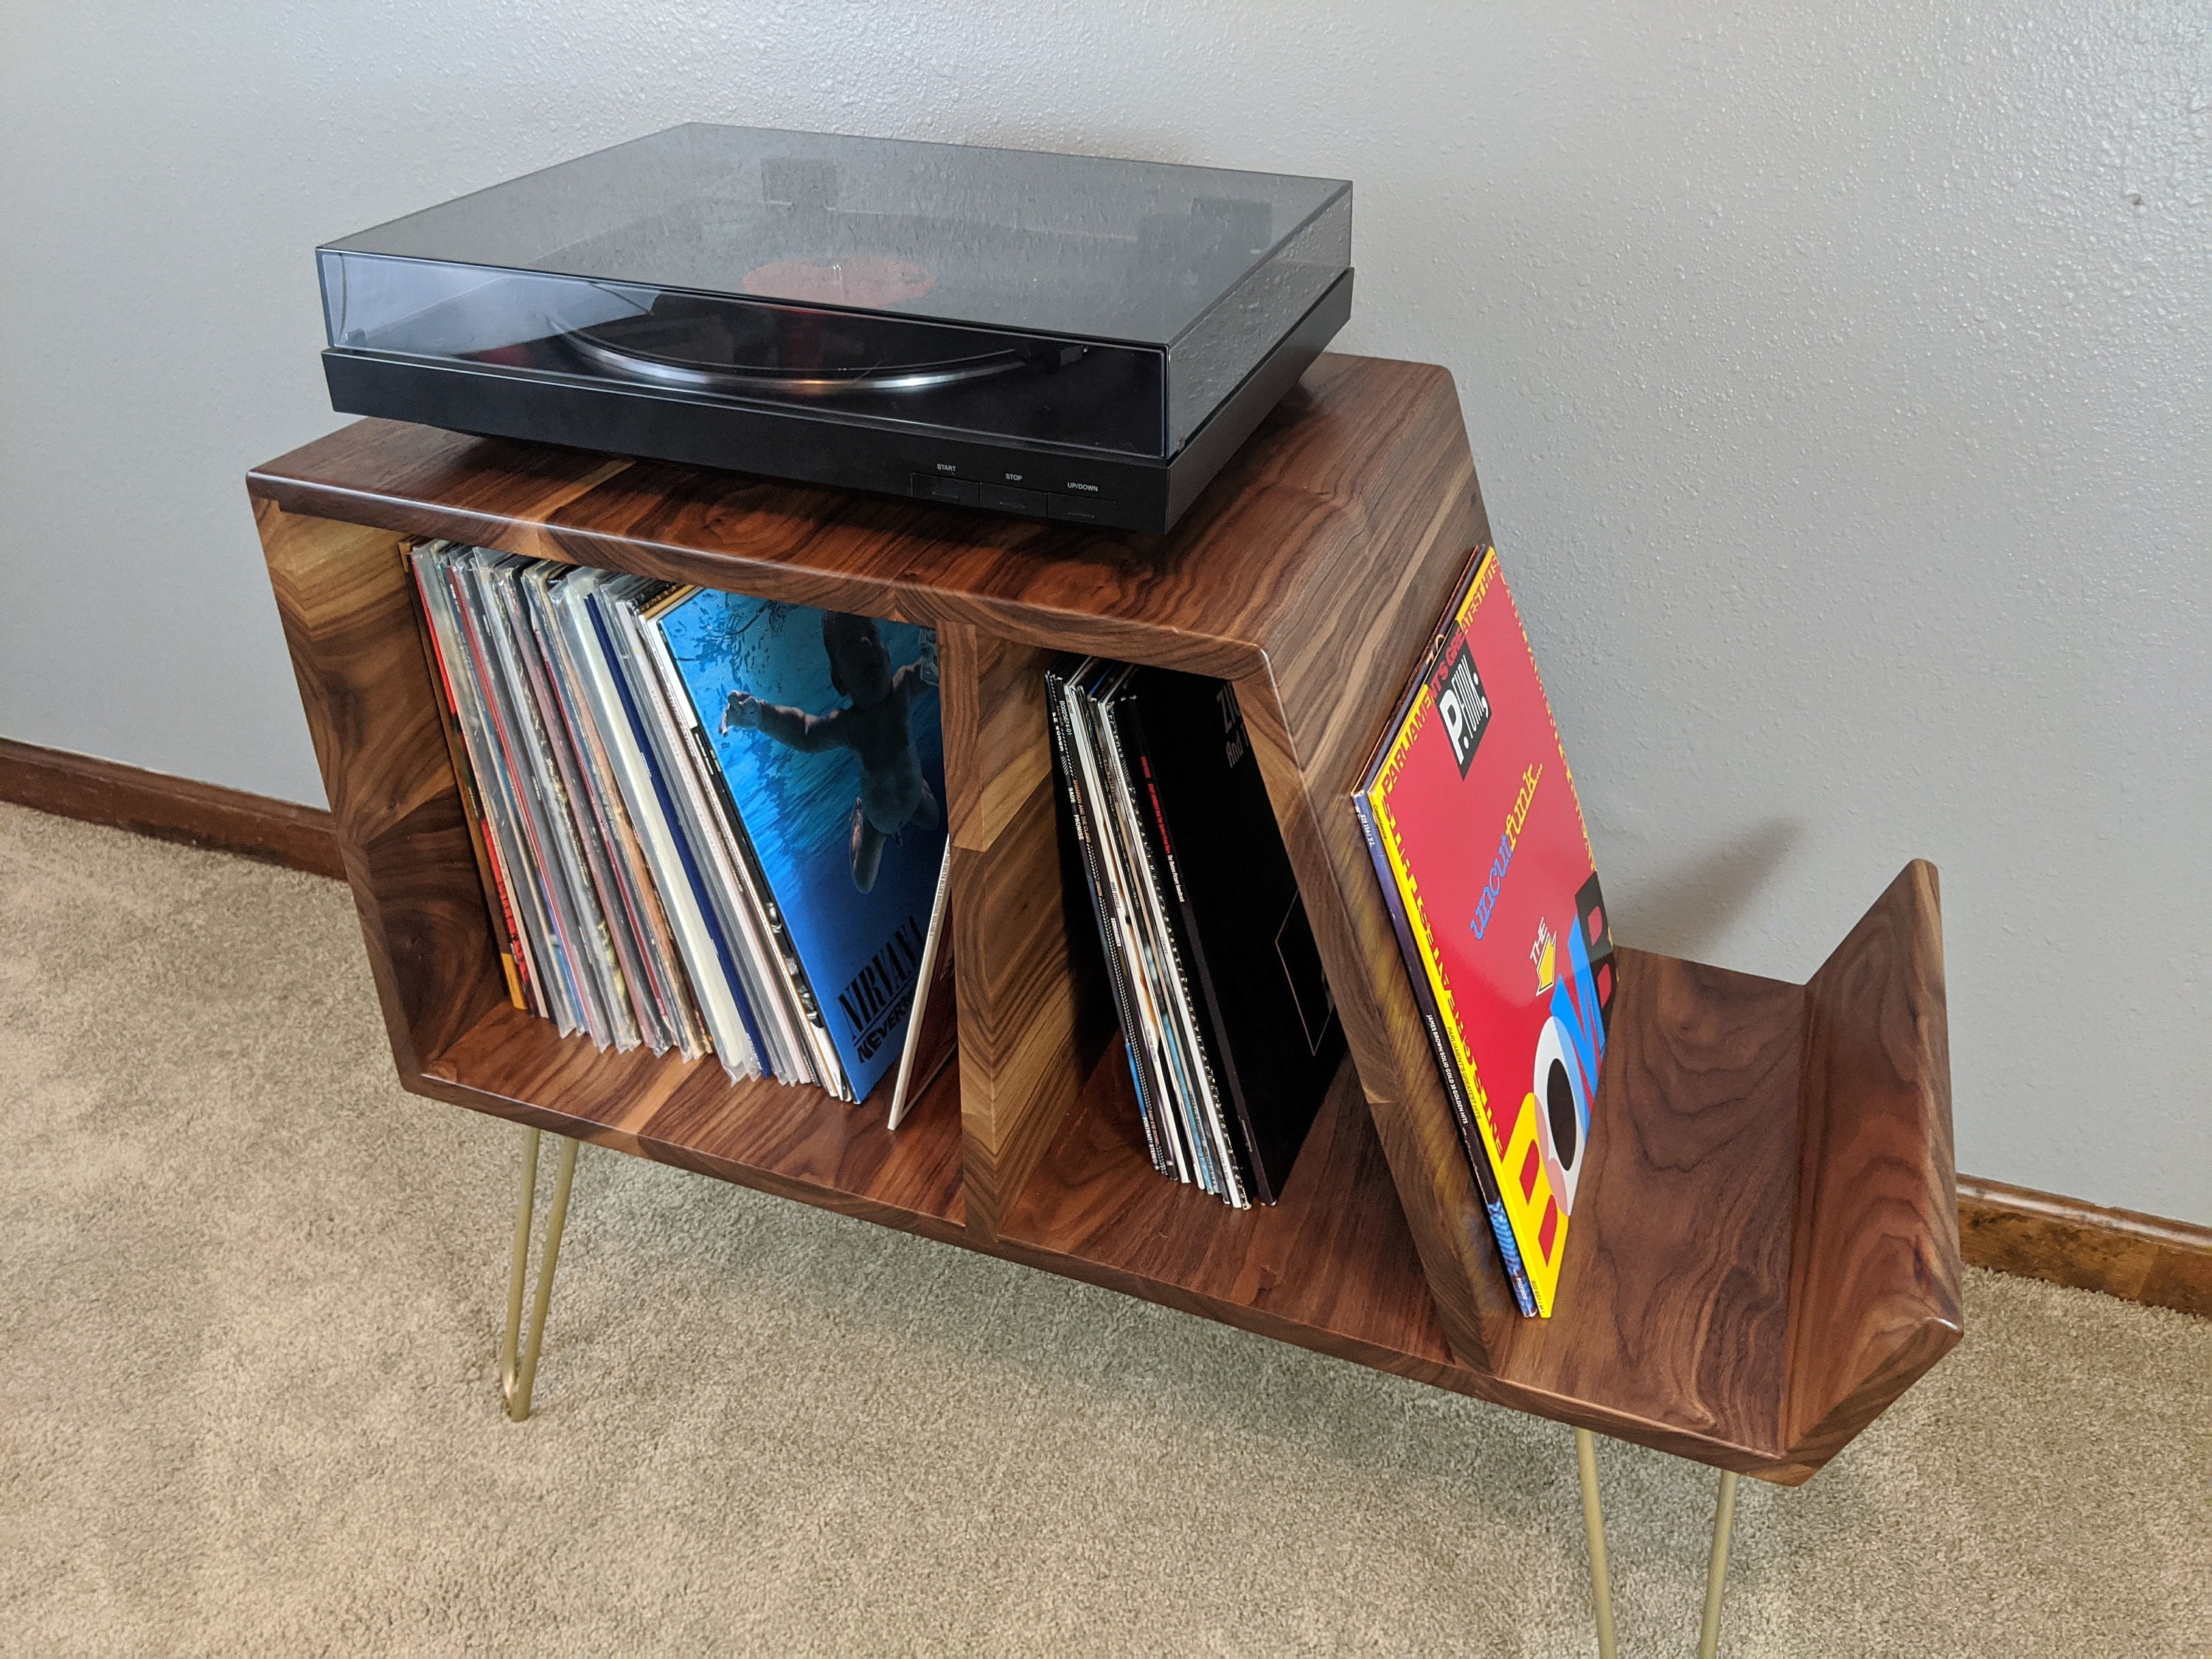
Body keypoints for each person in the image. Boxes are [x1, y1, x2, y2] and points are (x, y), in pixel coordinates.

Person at [721, 615, 939, 892]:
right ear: (840, 681)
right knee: (863, 882)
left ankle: (916, 786)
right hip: (877, 819)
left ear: (887, 651)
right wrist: (761, 715)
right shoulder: (851, 726)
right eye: (851, 644)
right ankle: (859, 820)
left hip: (911, 800)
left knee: (934, 820)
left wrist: (938, 643)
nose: (865, 643)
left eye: (872, 634)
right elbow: (805, 731)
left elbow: (934, 668)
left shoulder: (904, 688)